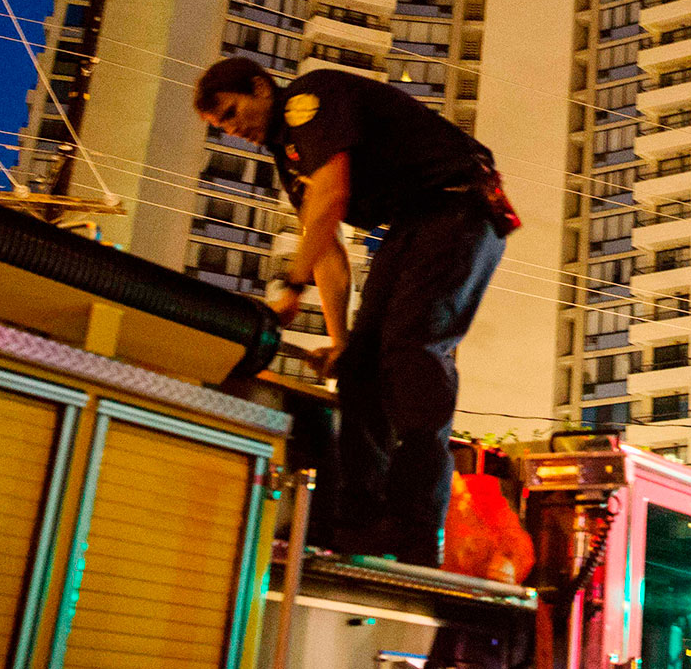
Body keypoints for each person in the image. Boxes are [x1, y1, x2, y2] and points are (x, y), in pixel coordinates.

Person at [194, 56, 518, 566]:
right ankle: (360, 522)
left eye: (233, 114)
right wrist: (340, 339)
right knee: (361, 367)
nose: (235, 131)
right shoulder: (290, 157)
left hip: (461, 209)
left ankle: (415, 528)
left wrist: (289, 287)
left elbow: (334, 198)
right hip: (414, 224)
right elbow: (327, 250)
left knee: (413, 350)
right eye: (222, 128)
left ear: (260, 88)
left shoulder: (309, 100)